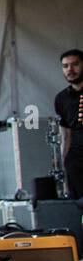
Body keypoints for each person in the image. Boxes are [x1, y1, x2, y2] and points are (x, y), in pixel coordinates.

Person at [55, 49, 83, 198]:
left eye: (75, 65)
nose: (70, 70)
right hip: (76, 158)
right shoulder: (61, 98)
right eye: (65, 66)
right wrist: (63, 159)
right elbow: (65, 133)